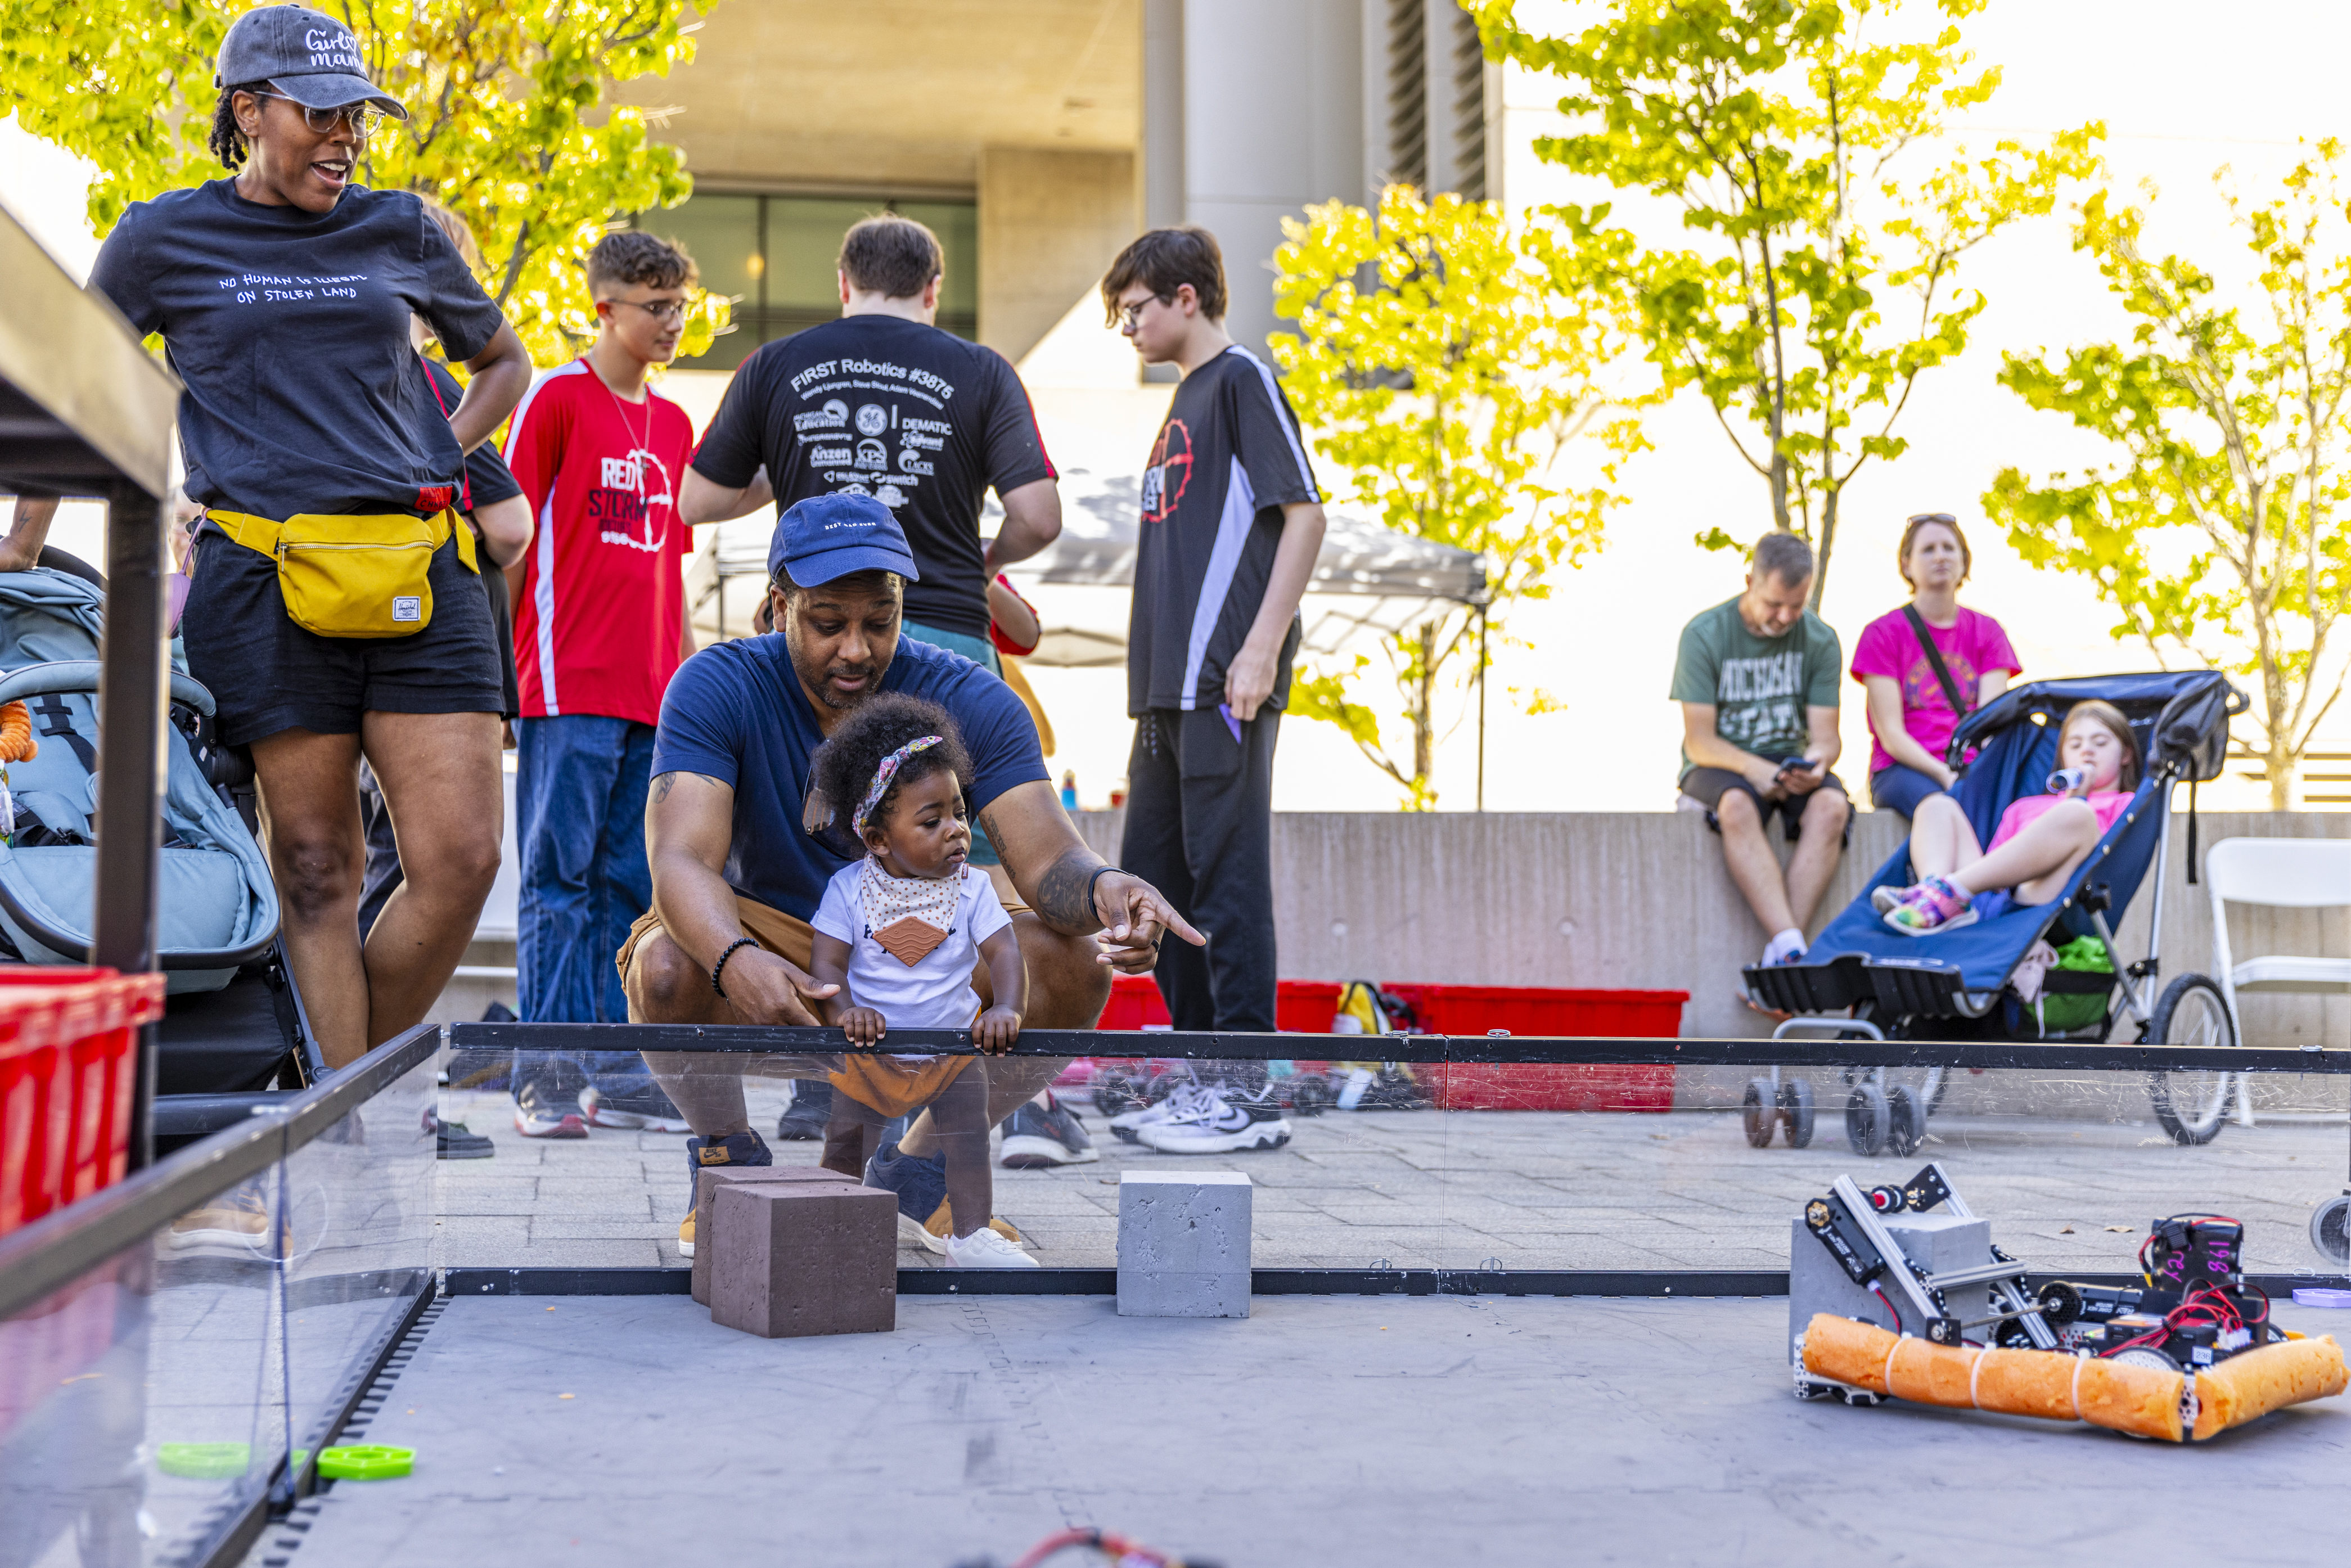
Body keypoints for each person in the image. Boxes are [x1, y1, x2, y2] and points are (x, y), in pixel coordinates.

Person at [90, 4, 533, 1068]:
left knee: (463, 858)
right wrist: (25, 539)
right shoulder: (159, 238)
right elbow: (81, 383)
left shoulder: (401, 228)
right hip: (261, 577)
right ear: (248, 112)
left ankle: (340, 1089)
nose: (348, 137)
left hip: (416, 571)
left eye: (358, 117)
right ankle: (345, 1128)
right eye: (322, 114)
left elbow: (503, 363)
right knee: (317, 868)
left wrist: (434, 455)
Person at [617, 493, 1203, 1258]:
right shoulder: (716, 684)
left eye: (880, 621)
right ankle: (727, 1157)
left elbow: (1048, 861)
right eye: (828, 622)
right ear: (777, 608)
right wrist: (734, 958)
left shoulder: (973, 698)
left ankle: (924, 1176)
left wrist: (1106, 890)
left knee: (1071, 963)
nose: (855, 650)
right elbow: (680, 859)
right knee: (665, 964)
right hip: (767, 940)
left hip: (922, 945)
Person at [1099, 224, 1327, 1154]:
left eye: (1135, 310)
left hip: (1224, 682)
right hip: (1165, 692)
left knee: (1227, 882)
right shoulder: (1182, 400)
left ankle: (1246, 1089)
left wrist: (1261, 648)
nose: (1128, 328)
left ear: (1185, 297)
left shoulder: (1242, 381)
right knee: (1153, 883)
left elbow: (1304, 515)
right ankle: (1204, 1080)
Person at [499, 229, 704, 1138]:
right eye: (655, 306)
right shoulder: (555, 398)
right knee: (558, 881)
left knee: (630, 886)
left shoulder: (677, 425)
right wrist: (501, 679)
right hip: (566, 681)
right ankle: (545, 1075)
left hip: (653, 694)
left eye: (680, 306)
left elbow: (671, 571)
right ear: (604, 308)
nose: (672, 322)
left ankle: (619, 1077)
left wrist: (690, 689)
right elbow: (509, 546)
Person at [808, 694, 1037, 1268]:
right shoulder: (848, 891)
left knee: (967, 1139)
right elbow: (826, 966)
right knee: (846, 1141)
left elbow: (1005, 952)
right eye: (932, 821)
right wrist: (845, 1011)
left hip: (951, 1048)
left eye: (959, 812)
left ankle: (970, 1233)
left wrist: (1006, 1008)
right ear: (878, 840)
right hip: (869, 1049)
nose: (956, 831)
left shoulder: (973, 888)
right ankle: (831, 1225)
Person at [1670, 532, 1849, 975]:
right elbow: (1699, 741)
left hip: (1789, 761)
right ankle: (1791, 952)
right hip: (1720, 762)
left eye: (1797, 605)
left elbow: (1828, 738)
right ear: (1750, 581)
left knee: (1832, 805)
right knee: (1735, 805)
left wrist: (1818, 762)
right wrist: (1755, 769)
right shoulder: (1703, 634)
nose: (1785, 617)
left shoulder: (1821, 640)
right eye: (1774, 604)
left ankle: (1784, 953)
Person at [1877, 700, 2139, 935]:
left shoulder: (2127, 804)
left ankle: (1947, 893)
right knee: (1936, 805)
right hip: (1987, 896)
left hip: (2037, 901)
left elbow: (2109, 860)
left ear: (2126, 754)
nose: (2087, 751)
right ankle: (1930, 892)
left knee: (2078, 814)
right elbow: (1994, 871)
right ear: (2062, 756)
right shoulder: (2023, 807)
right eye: (2075, 744)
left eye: (2100, 743)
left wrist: (2078, 801)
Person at [1850, 512, 2019, 818]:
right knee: (1947, 810)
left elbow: (1990, 723)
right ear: (1906, 564)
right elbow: (1891, 735)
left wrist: (1978, 774)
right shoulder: (1882, 634)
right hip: (1902, 769)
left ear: (1964, 560)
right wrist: (1943, 774)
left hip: (1972, 766)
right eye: (1928, 550)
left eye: (1949, 548)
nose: (1940, 557)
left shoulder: (1988, 631)